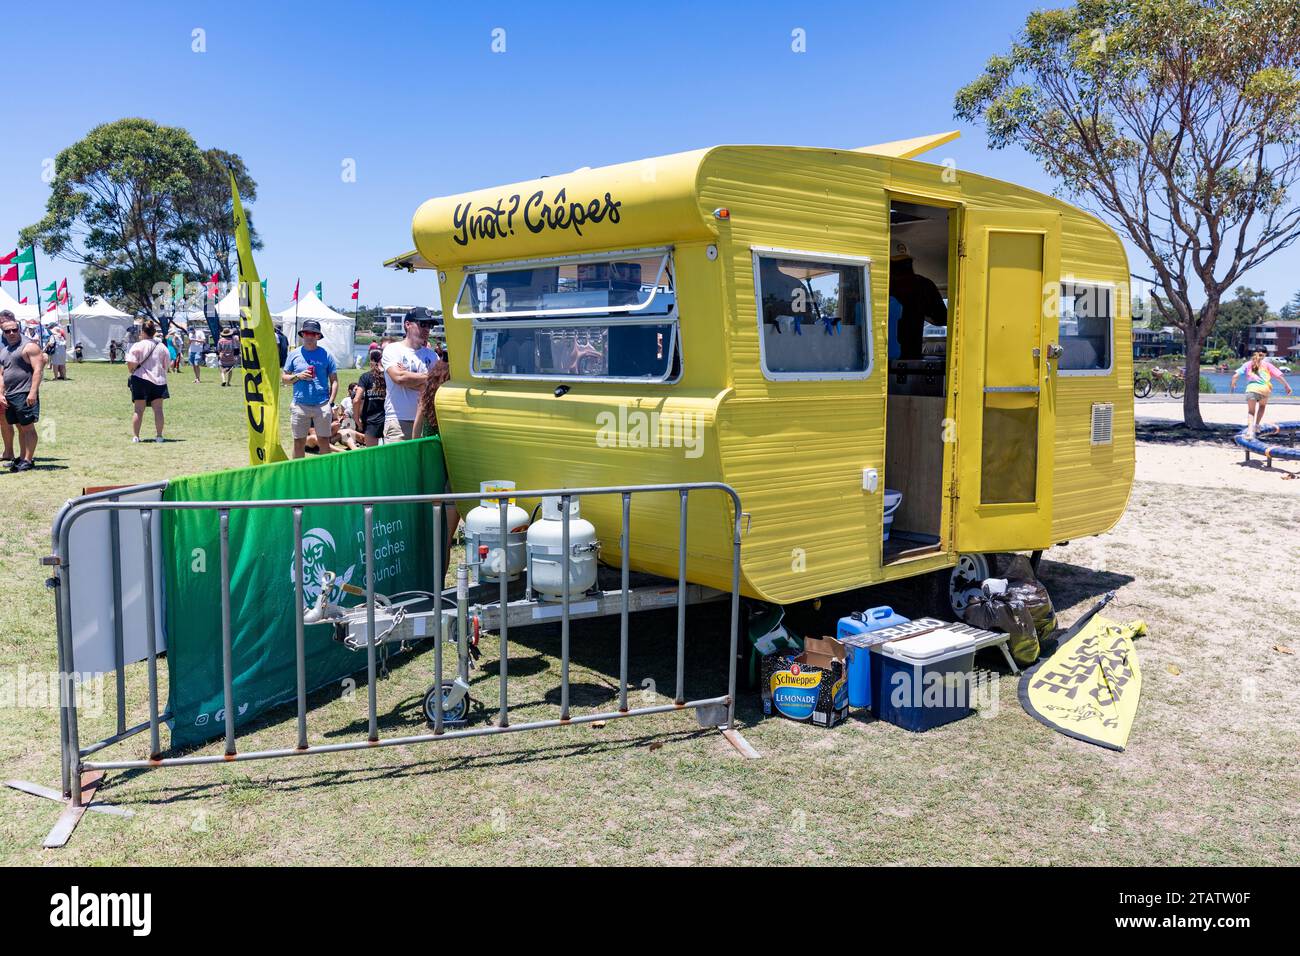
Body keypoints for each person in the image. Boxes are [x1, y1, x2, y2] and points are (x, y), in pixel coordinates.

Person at [380, 307, 442, 442]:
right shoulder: (393, 349)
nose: (427, 329)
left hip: (425, 421)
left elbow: (437, 385)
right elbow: (399, 378)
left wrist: (412, 379)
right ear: (407, 325)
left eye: (430, 325)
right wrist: (429, 378)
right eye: (423, 324)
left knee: (421, 463)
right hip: (398, 420)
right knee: (398, 463)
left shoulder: (432, 355)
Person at [282, 319, 338, 459]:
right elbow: (284, 379)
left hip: (322, 404)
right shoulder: (294, 354)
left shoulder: (326, 355)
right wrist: (298, 376)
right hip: (300, 404)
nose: (309, 336)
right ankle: (298, 473)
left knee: (324, 441)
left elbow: (334, 381)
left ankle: (327, 472)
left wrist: (330, 402)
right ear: (302, 334)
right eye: (306, 333)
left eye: (313, 333)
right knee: (298, 442)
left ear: (318, 336)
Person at [0, 309, 47, 472]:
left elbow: (38, 370)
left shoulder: (29, 347)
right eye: (7, 331)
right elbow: (1, 374)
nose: (12, 333)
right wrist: (1, 394)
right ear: (3, 332)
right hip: (10, 395)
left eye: (14, 329)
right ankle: (21, 458)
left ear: (19, 328)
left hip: (24, 393)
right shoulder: (5, 350)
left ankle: (28, 459)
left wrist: (33, 392)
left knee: (27, 427)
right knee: (20, 427)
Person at [888, 241, 947, 360]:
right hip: (910, 357)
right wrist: (919, 311)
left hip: (877, 357)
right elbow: (942, 318)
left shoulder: (877, 285)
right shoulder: (924, 285)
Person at [1230, 348, 1292, 439]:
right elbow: (1279, 377)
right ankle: (1257, 425)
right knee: (1262, 406)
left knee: (1251, 412)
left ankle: (1250, 432)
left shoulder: (1247, 364)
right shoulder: (1267, 365)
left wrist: (1233, 383)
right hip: (1264, 389)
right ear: (1265, 354)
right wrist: (1287, 386)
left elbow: (1235, 375)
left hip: (1251, 389)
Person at [126, 320, 170, 443]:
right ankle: (159, 436)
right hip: (159, 380)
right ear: (154, 332)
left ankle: (136, 436)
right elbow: (167, 365)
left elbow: (131, 363)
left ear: (142, 332)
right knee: (158, 409)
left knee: (139, 410)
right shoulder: (162, 346)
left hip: (140, 379)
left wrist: (132, 371)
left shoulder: (138, 345)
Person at [350, 345, 387, 446]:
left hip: (371, 419)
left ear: (371, 361)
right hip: (389, 418)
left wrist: (356, 418)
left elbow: (356, 400)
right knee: (389, 454)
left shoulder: (365, 377)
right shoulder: (390, 376)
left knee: (372, 454)